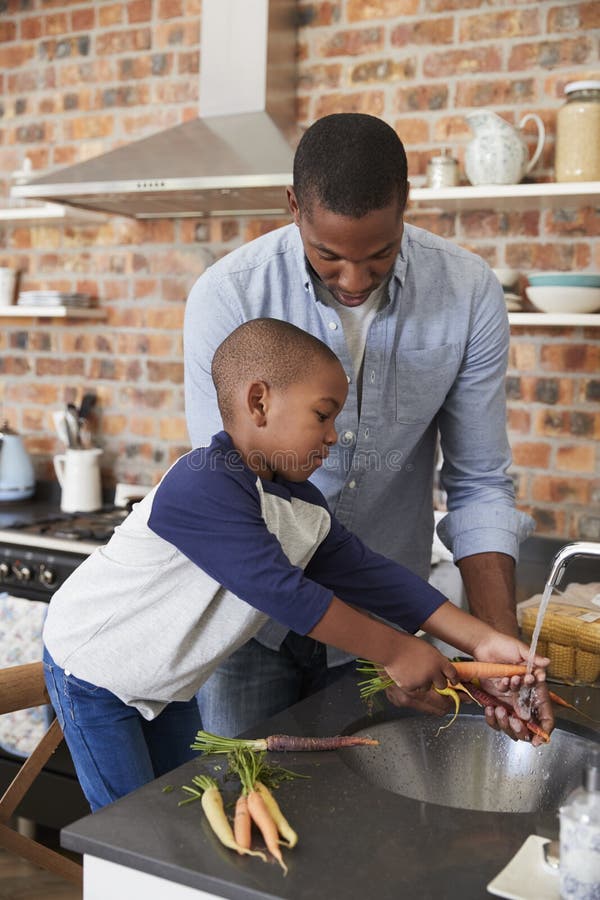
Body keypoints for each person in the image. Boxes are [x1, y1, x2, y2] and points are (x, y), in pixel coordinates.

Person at [43, 320, 550, 812]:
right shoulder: (201, 482)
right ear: (259, 402)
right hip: (94, 670)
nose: (334, 436)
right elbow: (282, 591)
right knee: (128, 826)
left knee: (183, 811)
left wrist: (481, 640)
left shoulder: (297, 503)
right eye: (323, 415)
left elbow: (368, 573)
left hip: (165, 682)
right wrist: (397, 648)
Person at [184, 113, 541, 740]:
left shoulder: (468, 292)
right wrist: (396, 645)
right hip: (249, 627)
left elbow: (480, 480)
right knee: (243, 812)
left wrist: (494, 652)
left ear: (406, 205)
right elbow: (244, 520)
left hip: (383, 614)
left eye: (380, 254)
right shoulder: (228, 296)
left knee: (367, 824)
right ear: (294, 207)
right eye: (328, 256)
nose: (353, 281)